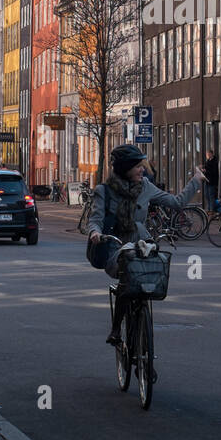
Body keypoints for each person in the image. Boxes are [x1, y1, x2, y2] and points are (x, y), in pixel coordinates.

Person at [88, 144, 205, 346]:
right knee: (127, 277)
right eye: (137, 166)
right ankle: (116, 330)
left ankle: (145, 353)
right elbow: (95, 218)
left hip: (141, 243)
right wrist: (95, 233)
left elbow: (176, 203)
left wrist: (195, 181)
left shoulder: (146, 188)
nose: (142, 169)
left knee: (149, 269)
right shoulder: (104, 191)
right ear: (125, 168)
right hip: (115, 247)